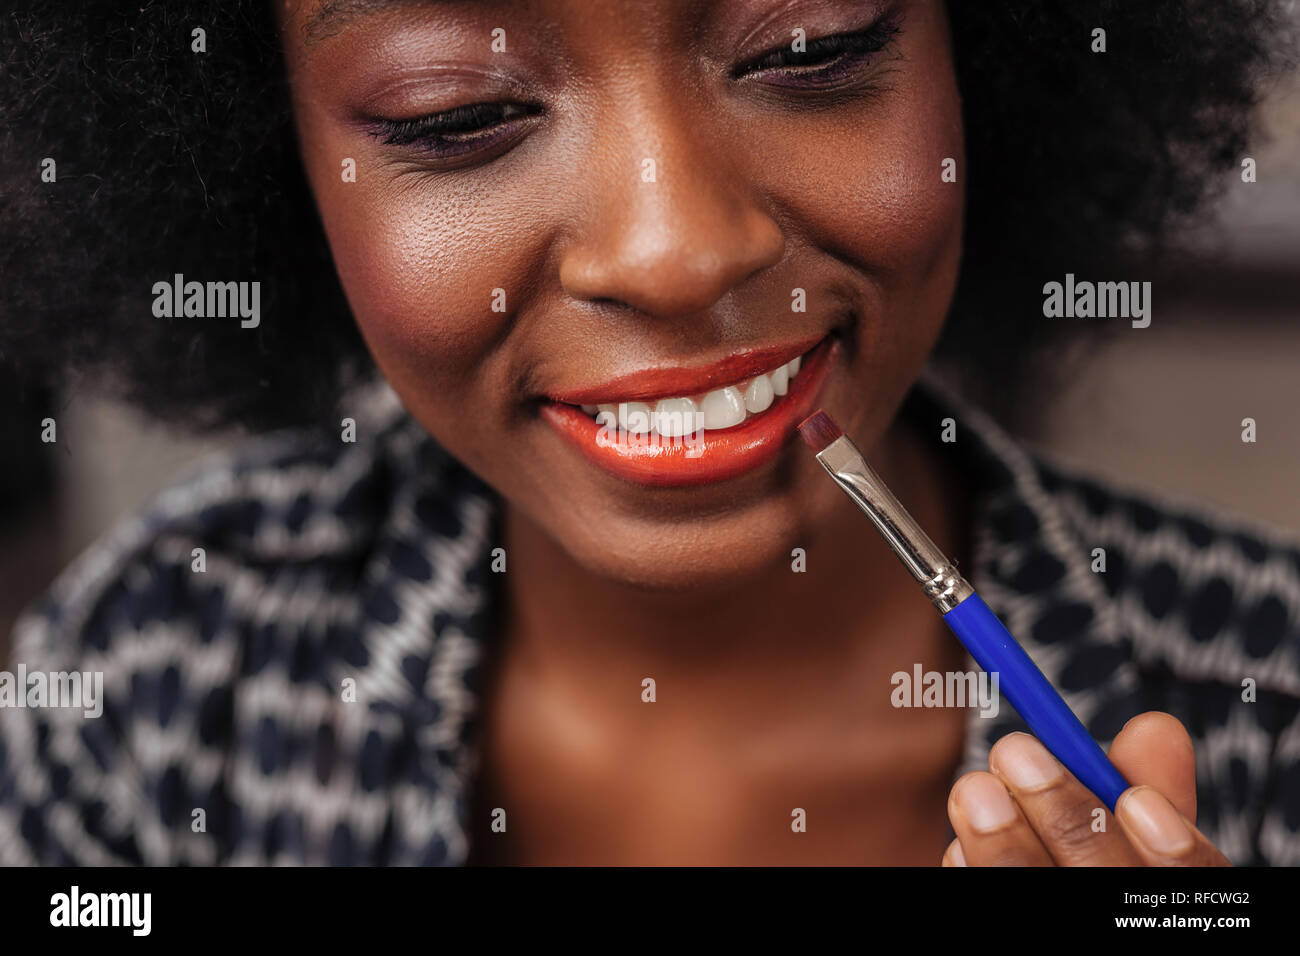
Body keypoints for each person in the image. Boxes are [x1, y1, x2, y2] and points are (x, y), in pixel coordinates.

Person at [0, 0, 1296, 866]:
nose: (676, 252)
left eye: (807, 46)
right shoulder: (151, 690)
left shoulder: (1272, 706)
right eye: (454, 113)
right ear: (265, 162)